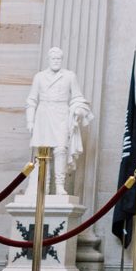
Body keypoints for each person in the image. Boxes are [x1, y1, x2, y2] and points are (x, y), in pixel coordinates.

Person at [25, 46, 92, 195]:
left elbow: (77, 97)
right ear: (48, 59)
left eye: (58, 59)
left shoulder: (69, 76)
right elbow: (31, 100)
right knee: (43, 152)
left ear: (62, 60)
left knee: (61, 150)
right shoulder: (39, 77)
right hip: (43, 115)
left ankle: (60, 186)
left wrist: (78, 109)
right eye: (53, 58)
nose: (56, 61)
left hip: (61, 114)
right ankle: (43, 187)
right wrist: (30, 121)